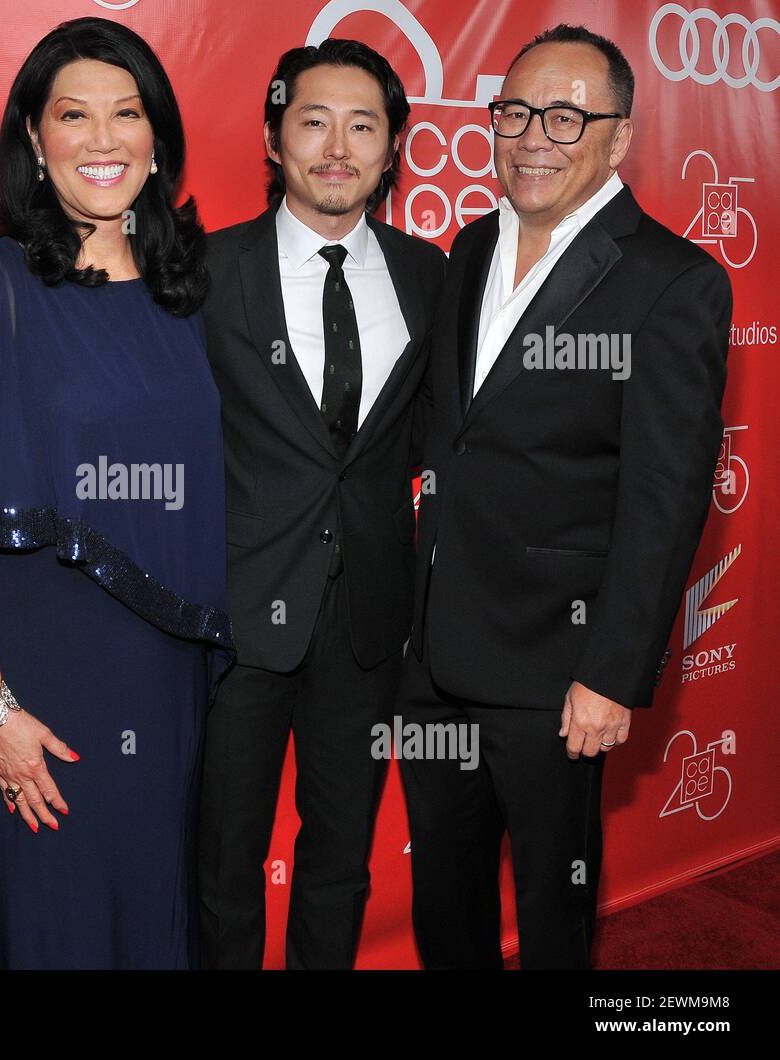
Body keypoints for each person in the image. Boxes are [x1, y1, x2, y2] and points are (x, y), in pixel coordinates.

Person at [400, 24, 730, 969]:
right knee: (446, 899)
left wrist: (612, 674)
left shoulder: (673, 282)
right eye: (513, 112)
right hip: (433, 659)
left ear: (619, 138)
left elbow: (664, 498)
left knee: (552, 912)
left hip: (556, 670)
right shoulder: (466, 248)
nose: (532, 135)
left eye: (565, 116)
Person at [0, 17, 230, 969]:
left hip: (166, 674)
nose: (103, 140)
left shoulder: (191, 297)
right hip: (38, 673)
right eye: (74, 115)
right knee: (58, 929)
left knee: (154, 922)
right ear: (33, 140)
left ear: (158, 138)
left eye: (127, 114)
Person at [198, 39, 446, 969]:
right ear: (273, 138)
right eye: (312, 121)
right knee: (223, 861)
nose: (336, 147)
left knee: (340, 858)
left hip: (372, 622)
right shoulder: (205, 274)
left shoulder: (431, 277)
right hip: (234, 620)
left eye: (362, 125)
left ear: (392, 150)